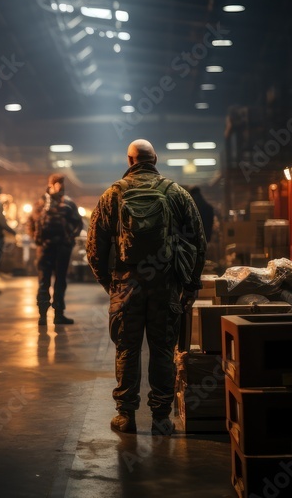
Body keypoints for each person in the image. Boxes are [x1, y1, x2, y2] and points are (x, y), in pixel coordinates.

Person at [87, 139, 206, 436]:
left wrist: (109, 282)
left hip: (126, 284)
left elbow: (94, 248)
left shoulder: (112, 194)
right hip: (165, 284)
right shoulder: (176, 193)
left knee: (127, 348)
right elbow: (198, 241)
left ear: (130, 160)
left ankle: (126, 416)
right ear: (155, 160)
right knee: (163, 349)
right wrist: (190, 283)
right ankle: (161, 418)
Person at [31, 174, 83, 325]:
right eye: (58, 183)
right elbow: (78, 224)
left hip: (52, 249)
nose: (60, 186)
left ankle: (50, 316)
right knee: (52, 281)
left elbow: (78, 224)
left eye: (61, 183)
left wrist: (38, 240)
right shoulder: (62, 203)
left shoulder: (44, 204)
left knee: (51, 281)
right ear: (53, 184)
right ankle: (51, 315)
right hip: (54, 248)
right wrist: (69, 239)